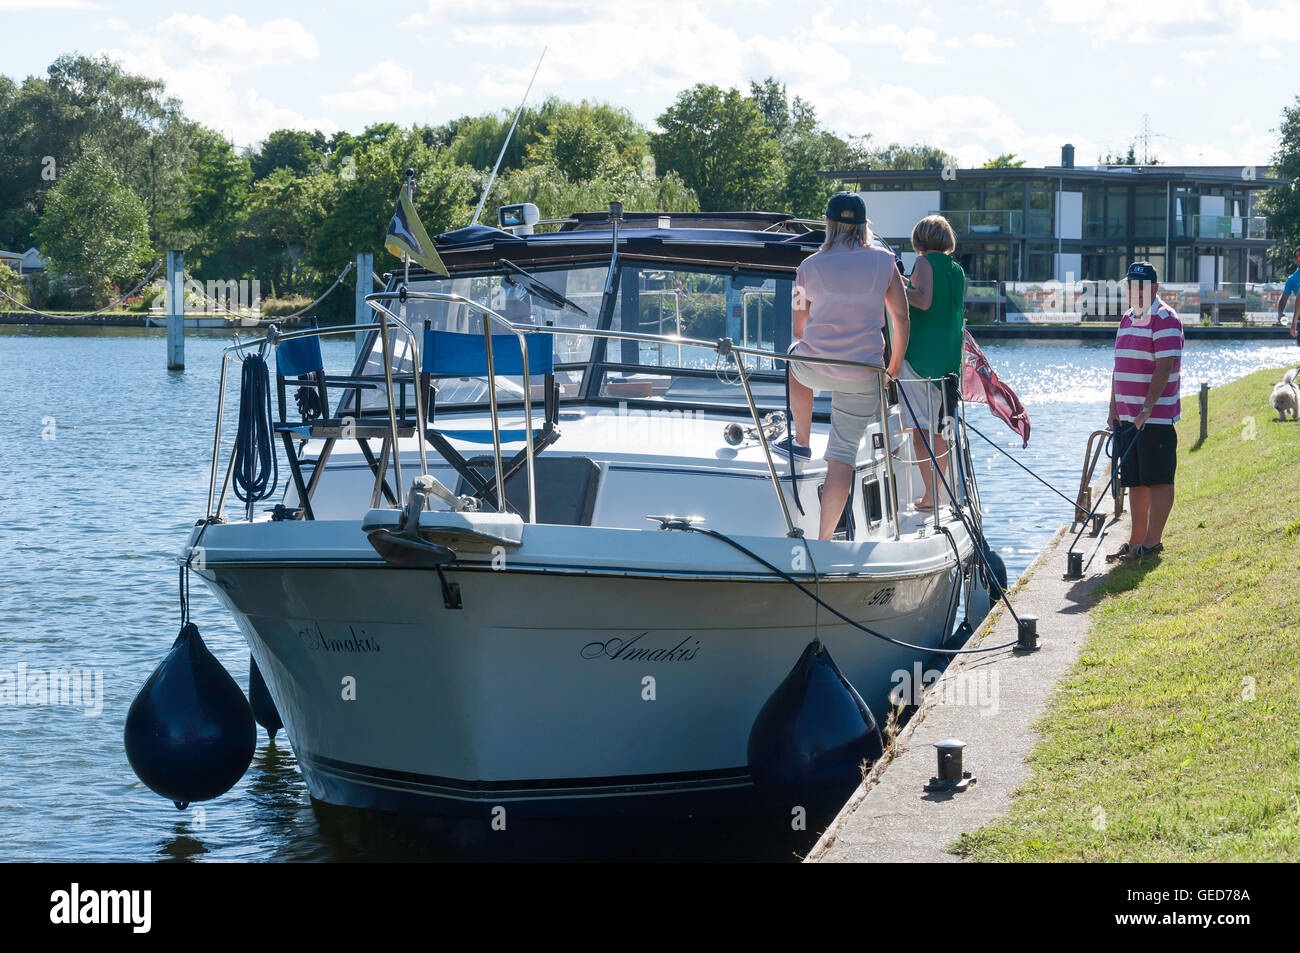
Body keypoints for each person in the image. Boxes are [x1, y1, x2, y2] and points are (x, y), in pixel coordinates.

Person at [779, 191, 910, 540]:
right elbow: (900, 317)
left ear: (828, 224)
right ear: (865, 226)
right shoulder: (885, 261)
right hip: (865, 373)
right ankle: (823, 540)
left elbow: (797, 327)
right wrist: (893, 366)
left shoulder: (807, 268)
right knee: (841, 459)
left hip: (817, 366)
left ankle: (802, 439)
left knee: (794, 358)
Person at [1105, 261, 1183, 563]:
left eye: (1142, 286)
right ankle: (1136, 542)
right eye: (1131, 286)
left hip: (1155, 417)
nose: (1135, 291)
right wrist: (1113, 407)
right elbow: (1118, 366)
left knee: (1159, 479)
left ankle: (1152, 544)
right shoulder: (1126, 319)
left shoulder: (1165, 318)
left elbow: (1164, 367)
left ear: (1155, 288)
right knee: (1135, 481)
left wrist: (1147, 408)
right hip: (1127, 419)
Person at [898, 215, 966, 510]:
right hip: (949, 358)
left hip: (920, 357)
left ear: (920, 239)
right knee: (940, 429)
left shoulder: (924, 263)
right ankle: (935, 494)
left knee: (919, 429)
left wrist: (894, 286)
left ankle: (931, 496)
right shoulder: (957, 270)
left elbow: (923, 300)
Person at [1278, 246, 1300, 328]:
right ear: (1295, 260)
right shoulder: (1292, 279)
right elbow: (1284, 298)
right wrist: (1280, 313)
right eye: (1299, 257)